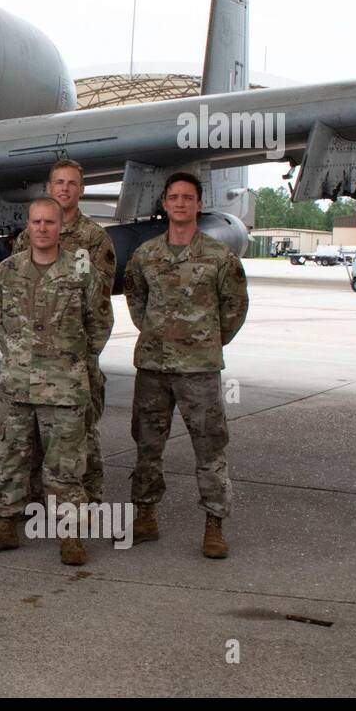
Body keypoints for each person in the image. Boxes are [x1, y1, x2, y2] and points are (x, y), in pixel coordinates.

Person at [0, 197, 112, 565]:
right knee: (12, 459)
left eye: (49, 222)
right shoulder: (8, 270)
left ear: (60, 226)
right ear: (28, 226)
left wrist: (74, 359)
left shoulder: (81, 271)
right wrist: (16, 351)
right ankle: (6, 525)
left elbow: (100, 322)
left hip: (65, 387)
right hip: (17, 384)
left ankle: (70, 534)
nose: (43, 228)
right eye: (36, 222)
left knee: (65, 465)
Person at [123, 171, 249, 559]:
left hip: (199, 371)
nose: (180, 203)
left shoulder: (218, 256)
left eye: (188, 198)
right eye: (173, 197)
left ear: (198, 205)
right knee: (147, 446)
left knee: (210, 448)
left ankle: (214, 525)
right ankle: (145, 517)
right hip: (153, 369)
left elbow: (235, 307)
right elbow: (135, 299)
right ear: (164, 203)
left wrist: (208, 341)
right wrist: (158, 334)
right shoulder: (146, 255)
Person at [11, 160, 117, 502]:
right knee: (33, 437)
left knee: (81, 434)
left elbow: (98, 307)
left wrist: (81, 357)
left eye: (72, 183)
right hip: (32, 360)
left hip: (74, 361)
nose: (65, 188)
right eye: (59, 182)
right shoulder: (29, 235)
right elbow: (11, 300)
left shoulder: (95, 239)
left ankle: (90, 499)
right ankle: (37, 502)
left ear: (81, 190)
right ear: (49, 187)